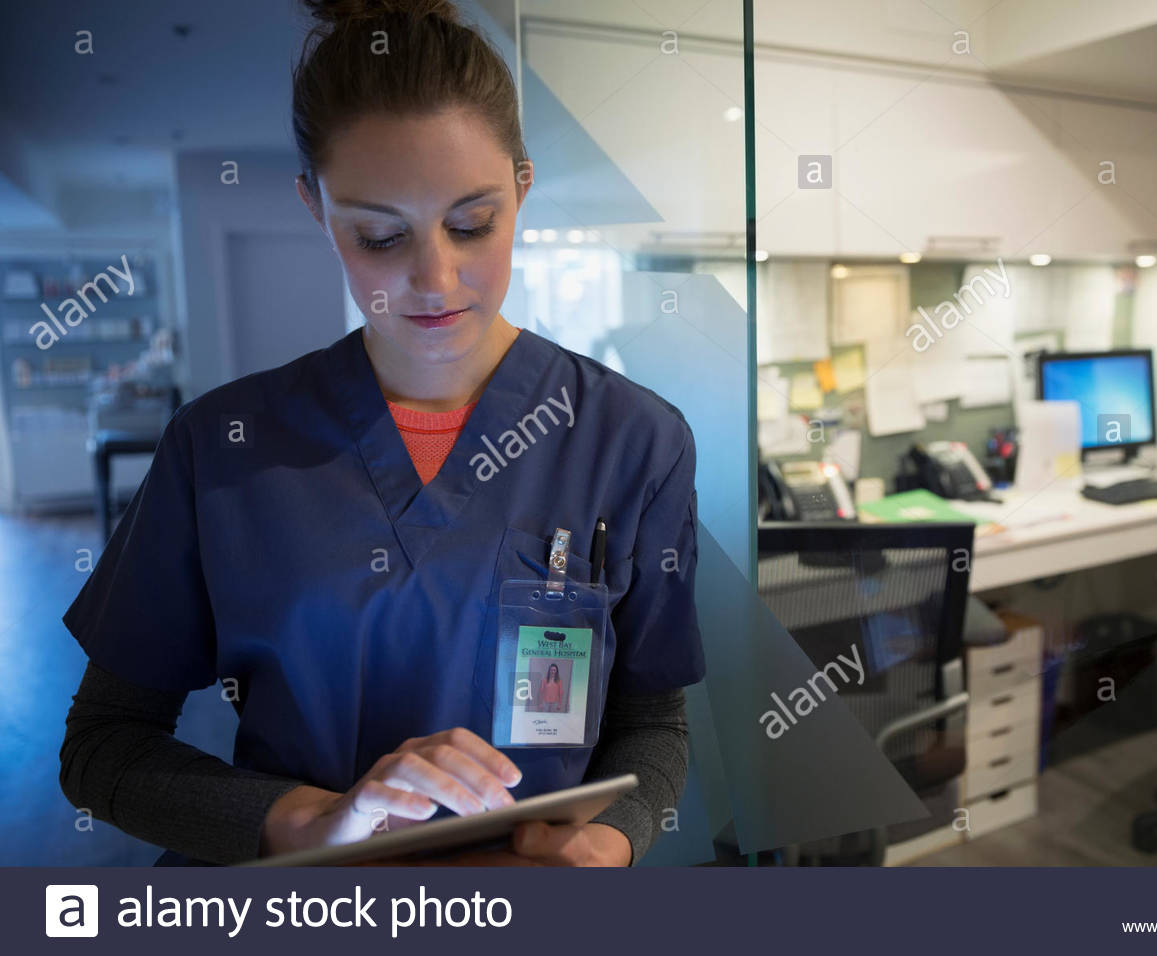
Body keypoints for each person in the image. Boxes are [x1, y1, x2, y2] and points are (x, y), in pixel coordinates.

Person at [58, 0, 704, 868]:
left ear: (522, 186)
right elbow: (104, 745)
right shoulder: (223, 447)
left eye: (472, 223)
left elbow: (652, 725)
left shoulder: (631, 441)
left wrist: (607, 846)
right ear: (315, 209)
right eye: (379, 235)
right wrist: (304, 820)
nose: (434, 278)